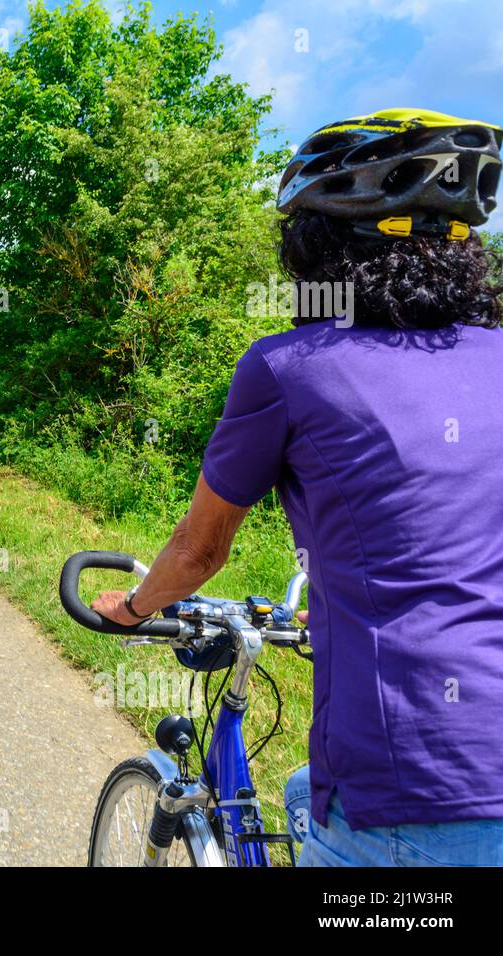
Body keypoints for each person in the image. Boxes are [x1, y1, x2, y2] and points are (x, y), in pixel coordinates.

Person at [91, 109, 503, 866]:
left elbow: (199, 549)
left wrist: (134, 605)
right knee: (304, 789)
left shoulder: (291, 366)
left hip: (415, 779)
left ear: (315, 247)